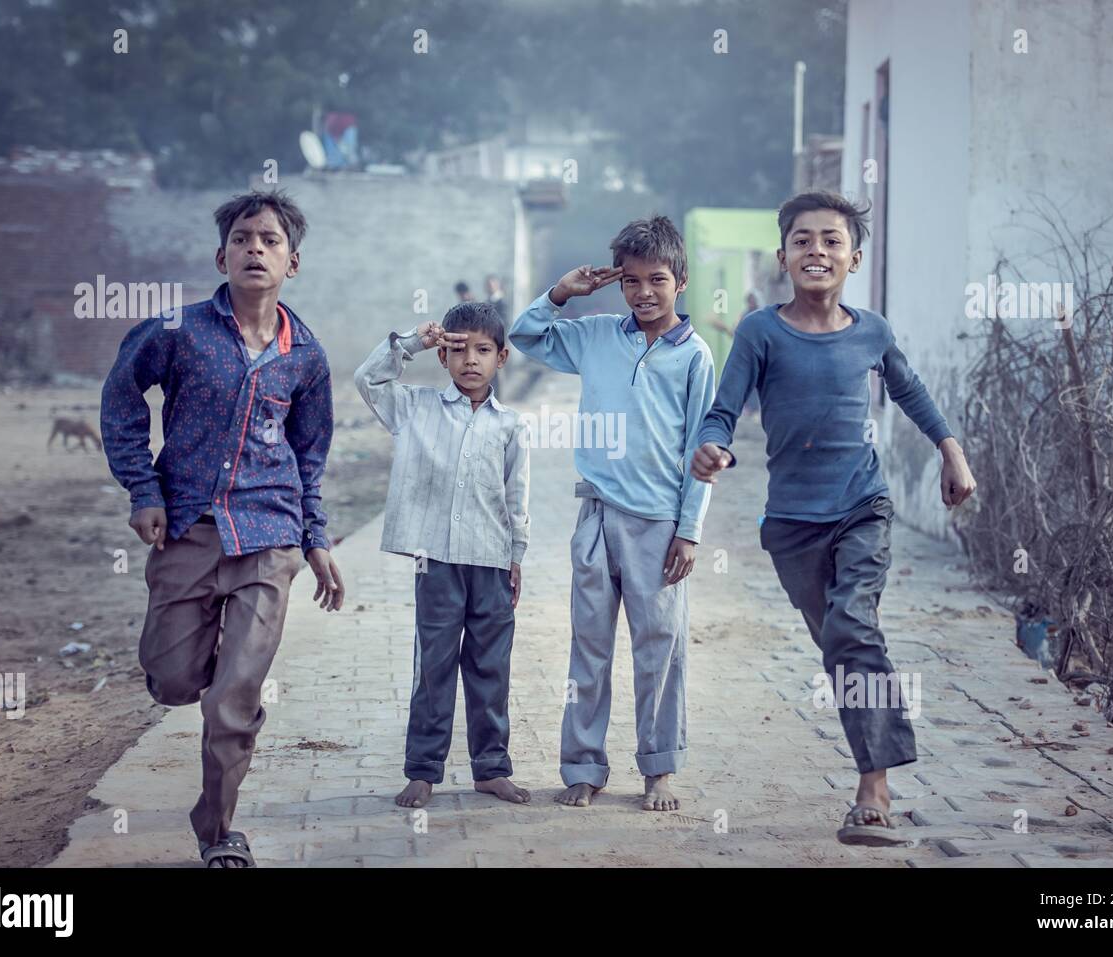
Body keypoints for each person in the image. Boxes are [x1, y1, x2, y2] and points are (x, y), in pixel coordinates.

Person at [691, 190, 978, 846]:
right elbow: (723, 407)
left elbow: (908, 388)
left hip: (862, 506)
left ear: (853, 257)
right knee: (842, 650)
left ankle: (873, 787)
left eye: (831, 240)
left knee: (853, 626)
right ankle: (870, 767)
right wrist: (712, 445)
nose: (816, 249)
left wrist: (950, 450)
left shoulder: (873, 331)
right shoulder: (761, 331)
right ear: (782, 257)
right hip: (791, 524)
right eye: (802, 240)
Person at [100, 189, 344, 868]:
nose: (255, 249)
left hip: (269, 536)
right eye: (242, 238)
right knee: (175, 678)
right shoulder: (175, 332)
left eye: (269, 240)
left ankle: (218, 831)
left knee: (234, 697)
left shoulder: (307, 356)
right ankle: (197, 667)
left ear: (293, 262)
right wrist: (143, 488)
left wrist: (317, 538)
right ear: (221, 255)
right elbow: (120, 397)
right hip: (187, 529)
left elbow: (310, 452)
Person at [509, 216, 715, 812]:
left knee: (660, 648)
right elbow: (524, 337)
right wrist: (561, 292)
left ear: (680, 280)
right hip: (595, 518)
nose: (643, 293)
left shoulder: (696, 357)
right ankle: (582, 766)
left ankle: (659, 768)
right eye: (630, 281)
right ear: (617, 284)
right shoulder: (596, 334)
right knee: (589, 647)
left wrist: (690, 530)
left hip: (659, 526)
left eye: (657, 280)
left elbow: (700, 450)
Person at [354, 301, 532, 809]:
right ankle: (423, 771)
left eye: (483, 350)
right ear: (444, 358)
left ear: (501, 357)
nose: (470, 361)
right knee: (433, 666)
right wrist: (413, 341)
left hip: (493, 561)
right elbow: (367, 381)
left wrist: (517, 556)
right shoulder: (415, 408)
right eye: (459, 350)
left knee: (490, 667)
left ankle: (491, 769)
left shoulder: (511, 425)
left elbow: (517, 496)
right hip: (436, 562)